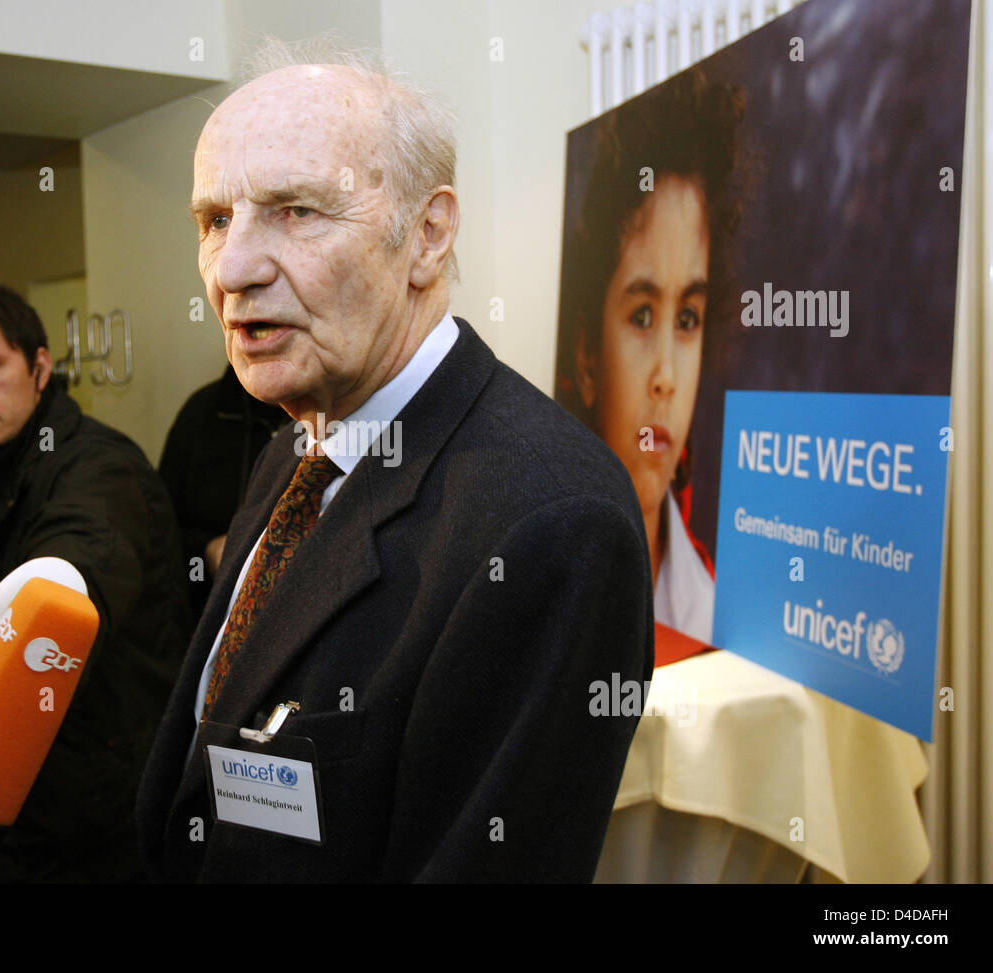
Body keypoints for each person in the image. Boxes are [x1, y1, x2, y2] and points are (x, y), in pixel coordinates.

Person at [136, 44, 654, 882]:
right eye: (215, 220)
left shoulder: (553, 523)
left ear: (428, 233)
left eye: (297, 211)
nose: (232, 269)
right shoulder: (291, 449)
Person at [0, 280, 192, 881]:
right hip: (18, 797)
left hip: (104, 810)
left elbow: (85, 554)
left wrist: (54, 588)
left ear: (40, 368)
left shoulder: (99, 464)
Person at [559, 69, 744, 644]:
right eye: (641, 315)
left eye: (687, 319)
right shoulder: (545, 584)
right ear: (588, 357)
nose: (666, 377)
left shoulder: (721, 615)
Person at [159, 364, 288, 622]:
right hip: (209, 613)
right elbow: (159, 528)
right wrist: (208, 549)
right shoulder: (202, 413)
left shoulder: (336, 414)